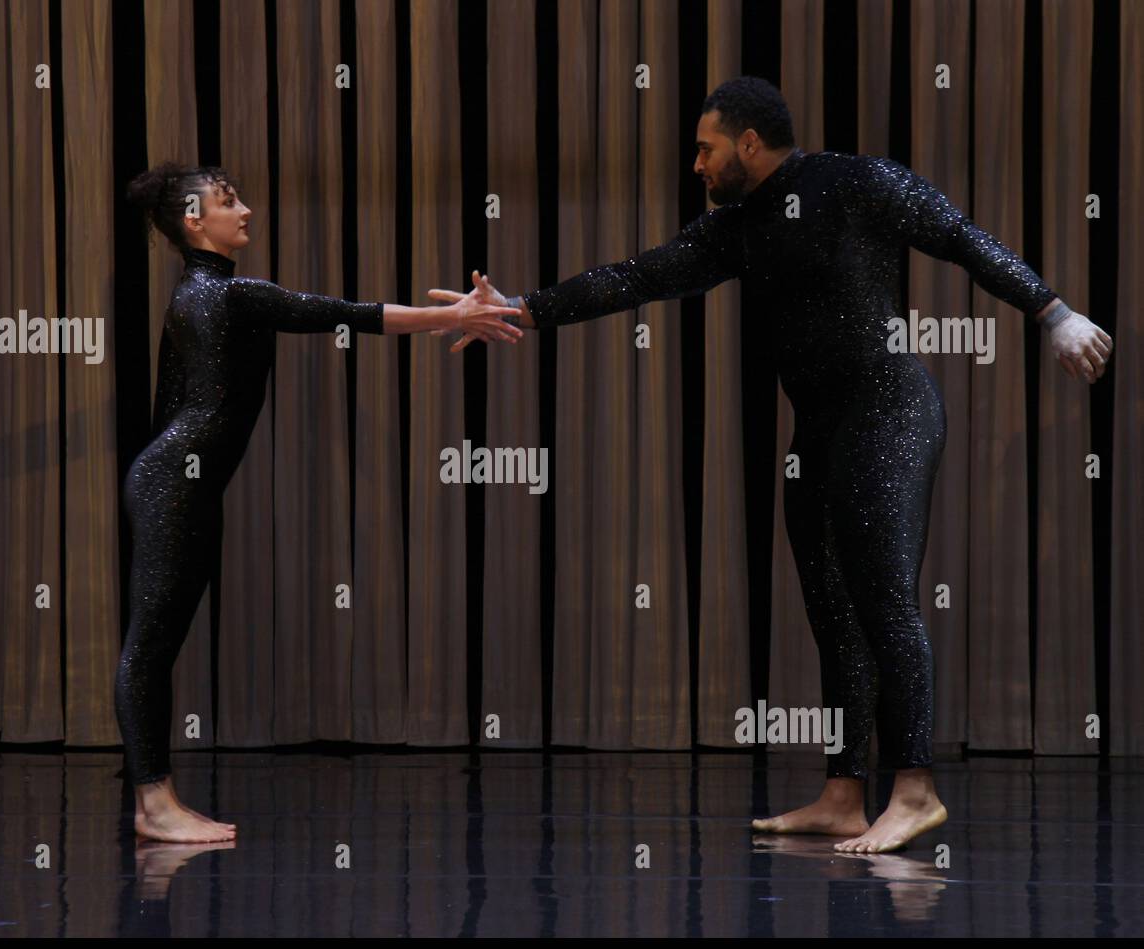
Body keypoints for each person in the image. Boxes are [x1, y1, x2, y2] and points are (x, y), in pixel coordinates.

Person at [432, 76, 1112, 854]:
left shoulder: (857, 182)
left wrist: (1053, 312)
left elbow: (960, 235)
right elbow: (636, 276)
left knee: (883, 598)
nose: (696, 164)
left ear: (748, 143)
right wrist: (521, 307)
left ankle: (914, 789)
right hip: (817, 432)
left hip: (889, 413)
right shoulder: (738, 227)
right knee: (832, 612)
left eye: (705, 147)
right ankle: (843, 793)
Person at [120, 162, 521, 843]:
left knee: (158, 645)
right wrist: (453, 314)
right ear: (194, 219)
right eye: (227, 201)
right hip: (172, 485)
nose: (244, 209)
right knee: (150, 646)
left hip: (175, 482)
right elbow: (347, 314)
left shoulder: (199, 296)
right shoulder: (227, 296)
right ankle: (153, 804)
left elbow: (171, 399)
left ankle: (156, 799)